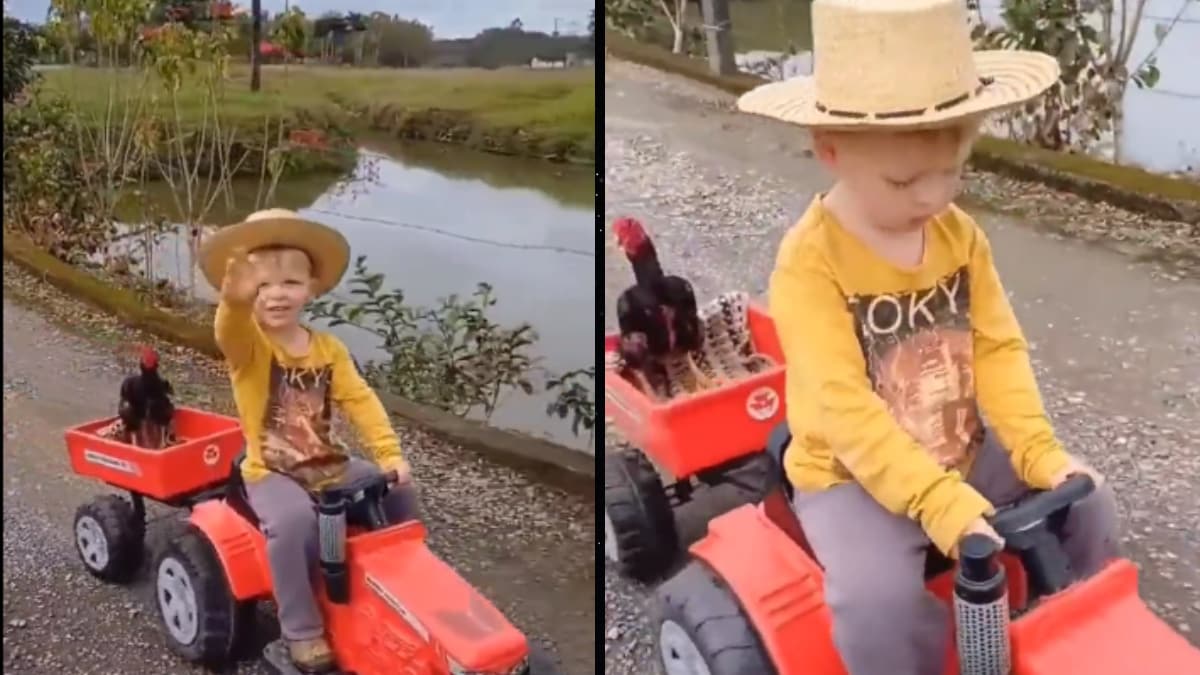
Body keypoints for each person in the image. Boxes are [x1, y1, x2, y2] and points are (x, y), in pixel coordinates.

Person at [737, 1, 1120, 673]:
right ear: (830, 150)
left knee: (1090, 498)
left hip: (960, 438)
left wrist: (1038, 452)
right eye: (907, 179)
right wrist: (936, 498)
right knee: (874, 600)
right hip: (853, 472)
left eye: (954, 170)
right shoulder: (810, 262)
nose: (935, 197)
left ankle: (1067, 637)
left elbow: (996, 348)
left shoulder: (960, 237)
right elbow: (842, 408)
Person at [198, 208, 418, 673]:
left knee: (395, 490)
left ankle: (405, 587)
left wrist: (388, 454)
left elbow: (360, 399)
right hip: (271, 470)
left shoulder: (328, 350)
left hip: (325, 461)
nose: (276, 295)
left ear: (312, 288)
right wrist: (234, 304)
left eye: (290, 284)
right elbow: (228, 332)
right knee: (294, 522)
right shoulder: (251, 347)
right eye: (262, 286)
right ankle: (301, 629)